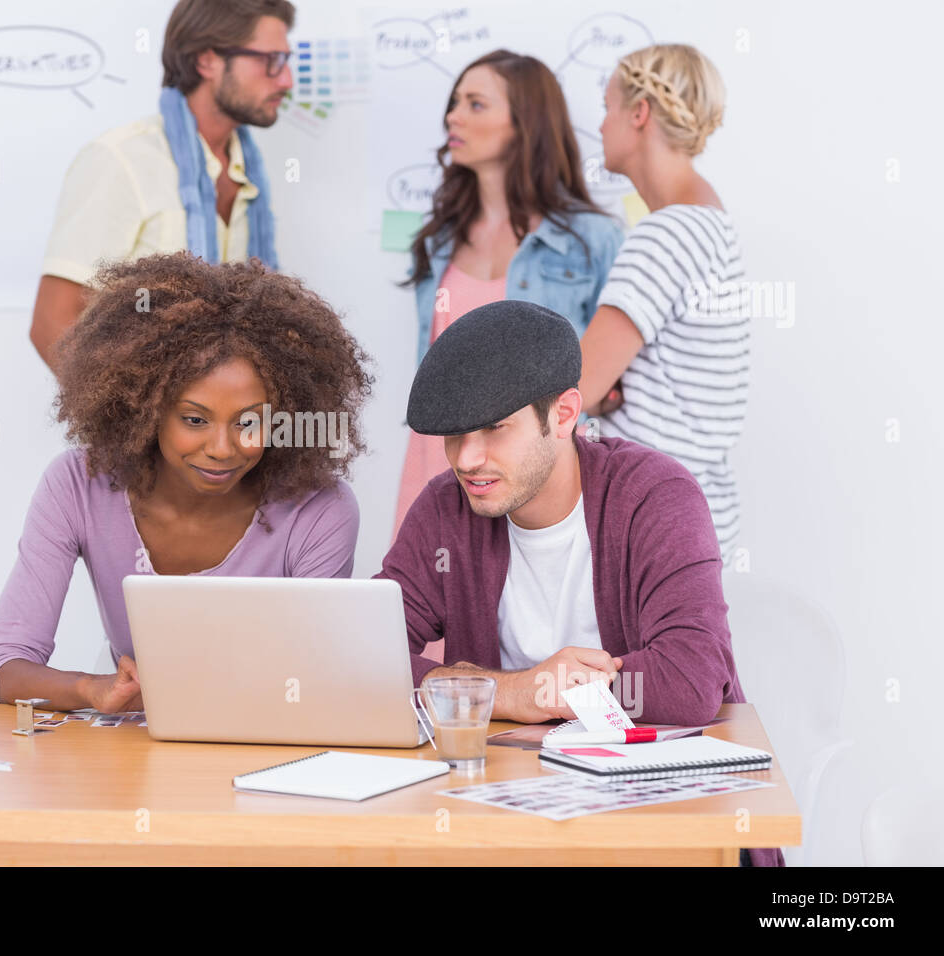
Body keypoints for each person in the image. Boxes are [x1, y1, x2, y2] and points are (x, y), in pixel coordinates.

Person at [375, 299, 779, 867]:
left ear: (564, 415)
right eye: (453, 436)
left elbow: (690, 680)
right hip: (504, 814)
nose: (467, 459)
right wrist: (520, 690)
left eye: (494, 427)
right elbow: (363, 661)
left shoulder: (655, 495)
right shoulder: (446, 510)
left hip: (659, 816)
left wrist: (502, 691)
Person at [0, 253, 371, 712]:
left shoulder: (318, 510)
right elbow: (4, 668)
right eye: (194, 419)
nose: (222, 447)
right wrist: (90, 689)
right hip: (137, 757)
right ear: (145, 409)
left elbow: (314, 681)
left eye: (250, 422)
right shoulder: (78, 484)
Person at [396, 50, 624, 541]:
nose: (453, 116)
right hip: (437, 458)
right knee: (428, 608)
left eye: (476, 104)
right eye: (455, 102)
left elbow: (613, 383)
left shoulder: (590, 239)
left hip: (537, 475)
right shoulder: (439, 238)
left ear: (526, 124)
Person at [29, 0, 295, 372]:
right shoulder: (120, 159)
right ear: (207, 61)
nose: (286, 80)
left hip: (234, 424)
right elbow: (50, 322)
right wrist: (131, 424)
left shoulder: (251, 172)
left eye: (285, 60)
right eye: (270, 61)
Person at [576, 44, 746, 558]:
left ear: (639, 113)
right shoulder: (708, 220)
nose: (601, 126)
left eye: (608, 109)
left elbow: (574, 391)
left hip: (658, 522)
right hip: (696, 512)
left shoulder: (667, 233)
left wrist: (591, 392)